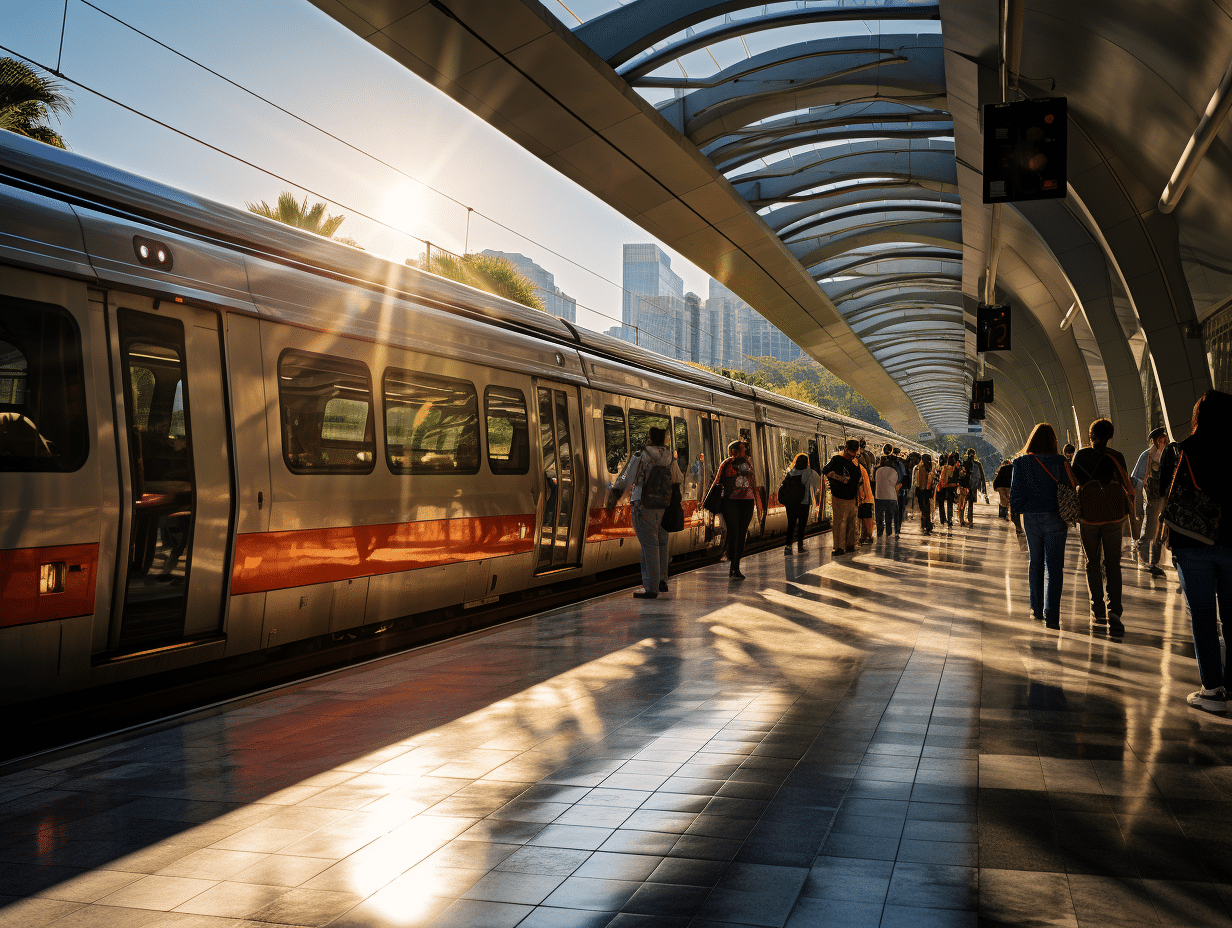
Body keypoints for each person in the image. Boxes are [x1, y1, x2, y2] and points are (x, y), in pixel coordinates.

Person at [1158, 390, 1232, 713]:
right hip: (1231, 543)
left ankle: (1212, 691)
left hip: (1191, 542)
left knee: (1203, 615)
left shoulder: (1179, 451)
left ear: (1197, 417)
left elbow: (1163, 491)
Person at [1071, 418, 1132, 633]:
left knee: (1092, 562)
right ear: (1109, 436)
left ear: (1091, 437)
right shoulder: (1117, 457)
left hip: (1089, 515)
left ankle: (1097, 610)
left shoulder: (1081, 455)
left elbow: (1073, 482)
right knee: (1113, 564)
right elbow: (1126, 484)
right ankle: (1114, 609)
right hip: (1115, 515)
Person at [1010, 423, 1073, 629]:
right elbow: (1070, 488)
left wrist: (1018, 516)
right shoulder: (1061, 461)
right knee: (1054, 567)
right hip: (1055, 517)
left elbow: (1015, 494)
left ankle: (1036, 608)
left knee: (1035, 562)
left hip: (1030, 517)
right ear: (1054, 441)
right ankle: (1052, 615)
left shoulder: (1020, 462)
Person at [609, 426, 684, 598]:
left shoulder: (641, 455)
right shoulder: (669, 456)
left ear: (649, 437)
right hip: (663, 504)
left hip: (643, 503)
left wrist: (614, 495)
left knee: (649, 545)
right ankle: (662, 580)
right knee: (661, 543)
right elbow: (678, 478)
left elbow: (626, 478)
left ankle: (651, 587)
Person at [708, 440, 764, 580]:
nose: (743, 452)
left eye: (743, 450)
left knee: (741, 532)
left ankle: (735, 565)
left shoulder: (748, 464)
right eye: (740, 449)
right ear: (732, 451)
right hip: (730, 502)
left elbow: (753, 484)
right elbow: (717, 482)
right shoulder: (727, 464)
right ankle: (732, 562)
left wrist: (758, 503)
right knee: (734, 531)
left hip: (747, 502)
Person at [1131, 426, 1169, 578]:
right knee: (1150, 530)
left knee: (1160, 532)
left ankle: (1155, 562)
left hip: (1164, 497)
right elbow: (1135, 478)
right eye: (1160, 440)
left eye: (1164, 440)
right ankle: (1144, 557)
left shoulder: (1168, 454)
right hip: (1152, 498)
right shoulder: (1147, 456)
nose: (1162, 442)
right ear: (1154, 441)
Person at [823, 439, 862, 555]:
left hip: (846, 497)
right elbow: (826, 471)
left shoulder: (849, 461)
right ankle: (845, 546)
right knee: (845, 523)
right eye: (852, 452)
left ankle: (845, 546)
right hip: (845, 497)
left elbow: (859, 480)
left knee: (846, 523)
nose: (852, 455)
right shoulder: (844, 462)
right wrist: (840, 478)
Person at [781, 452, 820, 553]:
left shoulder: (791, 472)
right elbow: (818, 483)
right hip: (804, 502)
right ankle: (800, 546)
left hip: (791, 503)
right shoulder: (810, 472)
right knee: (801, 525)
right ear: (807, 463)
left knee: (791, 525)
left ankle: (788, 546)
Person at [874, 449, 901, 538]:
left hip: (879, 495)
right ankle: (891, 532)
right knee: (890, 516)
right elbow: (896, 483)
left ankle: (880, 532)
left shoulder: (877, 470)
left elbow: (874, 480)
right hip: (891, 496)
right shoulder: (894, 470)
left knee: (879, 517)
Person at [963, 449, 988, 526]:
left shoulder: (964, 463)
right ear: (975, 455)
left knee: (963, 503)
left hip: (965, 486)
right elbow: (982, 477)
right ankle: (970, 519)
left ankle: (961, 519)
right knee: (970, 504)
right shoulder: (978, 464)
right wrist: (984, 490)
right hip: (973, 486)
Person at [913, 453, 935, 535]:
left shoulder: (920, 469)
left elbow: (917, 482)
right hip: (928, 491)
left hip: (920, 491)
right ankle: (928, 524)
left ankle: (924, 524)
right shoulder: (931, 469)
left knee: (923, 509)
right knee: (927, 508)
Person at [936, 452, 958, 527]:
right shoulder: (955, 469)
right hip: (950, 488)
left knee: (941, 504)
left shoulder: (943, 468)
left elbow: (940, 478)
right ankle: (949, 519)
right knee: (950, 504)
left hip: (942, 487)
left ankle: (942, 518)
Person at [993, 458, 1014, 522]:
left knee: (1004, 499)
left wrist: (995, 486)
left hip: (1001, 486)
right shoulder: (1014, 469)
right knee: (1009, 499)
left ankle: (1004, 513)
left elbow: (998, 478)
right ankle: (1008, 514)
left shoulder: (1002, 468)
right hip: (1009, 486)